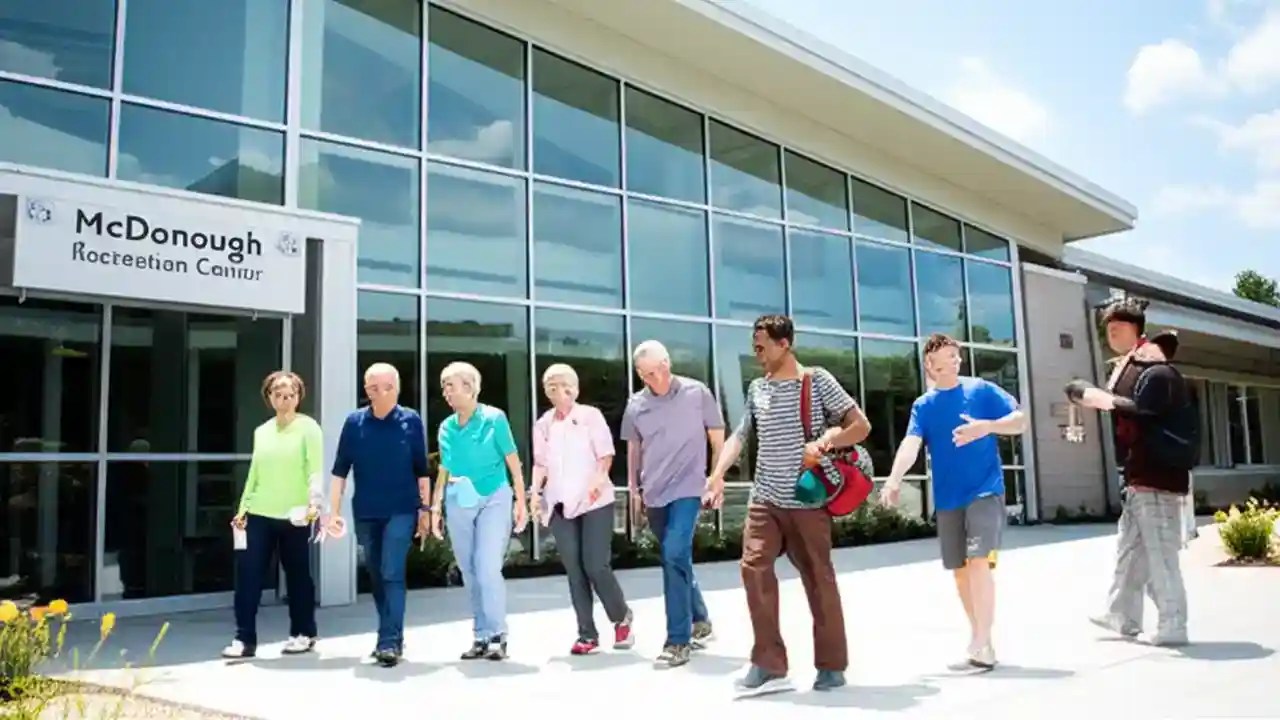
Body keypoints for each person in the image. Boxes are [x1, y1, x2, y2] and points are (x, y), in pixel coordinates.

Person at [708, 315, 871, 696]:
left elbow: (859, 426)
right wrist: (717, 474)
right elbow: (740, 434)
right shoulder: (756, 390)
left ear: (785, 344)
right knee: (753, 568)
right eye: (754, 346)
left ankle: (831, 665)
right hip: (764, 497)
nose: (757, 353)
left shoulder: (816, 381)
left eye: (762, 346)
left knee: (818, 576)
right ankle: (769, 662)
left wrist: (826, 443)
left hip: (806, 498)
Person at [881, 333, 1026, 670]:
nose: (955, 359)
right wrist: (893, 479)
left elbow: (1020, 421)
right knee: (960, 573)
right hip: (948, 499)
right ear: (930, 365)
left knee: (979, 562)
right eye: (947, 355)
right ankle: (982, 641)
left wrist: (987, 427)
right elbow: (911, 444)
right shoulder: (924, 406)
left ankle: (979, 639)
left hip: (985, 491)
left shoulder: (982, 390)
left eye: (957, 354)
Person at [1072, 298, 1192, 646]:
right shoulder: (1129, 367)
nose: (1112, 333)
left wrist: (1102, 399)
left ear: (1138, 331)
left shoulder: (1154, 370)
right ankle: (1121, 614)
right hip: (1138, 475)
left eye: (1120, 327)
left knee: (1160, 553)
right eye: (1108, 329)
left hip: (1158, 475)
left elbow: (1147, 412)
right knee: (1131, 549)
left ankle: (1174, 623)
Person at [621, 340, 723, 668]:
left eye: (659, 369)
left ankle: (677, 641)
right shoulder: (636, 405)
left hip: (689, 488)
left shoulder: (697, 392)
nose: (655, 378)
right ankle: (700, 619)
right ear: (639, 374)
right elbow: (634, 448)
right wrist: (634, 490)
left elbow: (717, 434)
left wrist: (717, 476)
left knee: (674, 553)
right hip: (654, 492)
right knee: (677, 558)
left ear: (668, 362)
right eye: (647, 374)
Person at [327, 363, 431, 668]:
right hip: (367, 511)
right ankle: (393, 635)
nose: (380, 392)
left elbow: (422, 471)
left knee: (391, 571)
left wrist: (425, 511)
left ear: (397, 388)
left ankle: (387, 642)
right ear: (366, 390)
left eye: (387, 386)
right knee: (376, 575)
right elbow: (339, 471)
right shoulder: (355, 423)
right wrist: (332, 511)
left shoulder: (410, 421)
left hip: (401, 509)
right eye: (373, 387)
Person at [530, 363, 634, 655]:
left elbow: (605, 454)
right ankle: (587, 634)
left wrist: (598, 480)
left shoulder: (590, 416)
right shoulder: (543, 424)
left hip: (593, 502)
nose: (557, 391)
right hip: (560, 505)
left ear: (574, 389)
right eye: (550, 386)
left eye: (563, 385)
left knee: (595, 565)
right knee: (574, 571)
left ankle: (621, 617)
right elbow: (541, 464)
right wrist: (535, 492)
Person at [428, 361, 529, 661]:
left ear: (470, 388)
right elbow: (444, 470)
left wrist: (521, 502)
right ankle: (481, 635)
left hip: (494, 498)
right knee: (469, 571)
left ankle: (498, 635)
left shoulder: (494, 419)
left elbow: (513, 463)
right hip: (459, 499)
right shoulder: (446, 427)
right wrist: (435, 508)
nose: (446, 391)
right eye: (444, 385)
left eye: (451, 385)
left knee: (487, 566)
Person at [223, 371, 324, 660]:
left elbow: (314, 468)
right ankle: (244, 639)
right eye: (278, 395)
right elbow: (255, 473)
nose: (284, 400)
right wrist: (242, 510)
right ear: (269, 398)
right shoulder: (262, 431)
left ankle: (303, 632)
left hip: (295, 515)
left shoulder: (309, 428)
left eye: (290, 395)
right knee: (248, 576)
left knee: (297, 575)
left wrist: (314, 503)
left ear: (298, 397)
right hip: (259, 513)